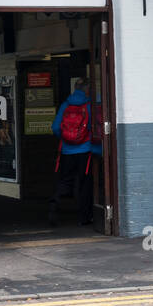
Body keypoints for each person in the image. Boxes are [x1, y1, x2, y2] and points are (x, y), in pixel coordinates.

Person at [50, 79, 94, 227]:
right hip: (85, 151)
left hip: (66, 151)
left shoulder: (66, 104)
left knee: (64, 181)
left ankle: (53, 211)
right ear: (87, 89)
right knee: (84, 184)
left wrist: (66, 138)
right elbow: (94, 128)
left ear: (75, 88)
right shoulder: (89, 105)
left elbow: (56, 127)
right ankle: (84, 218)